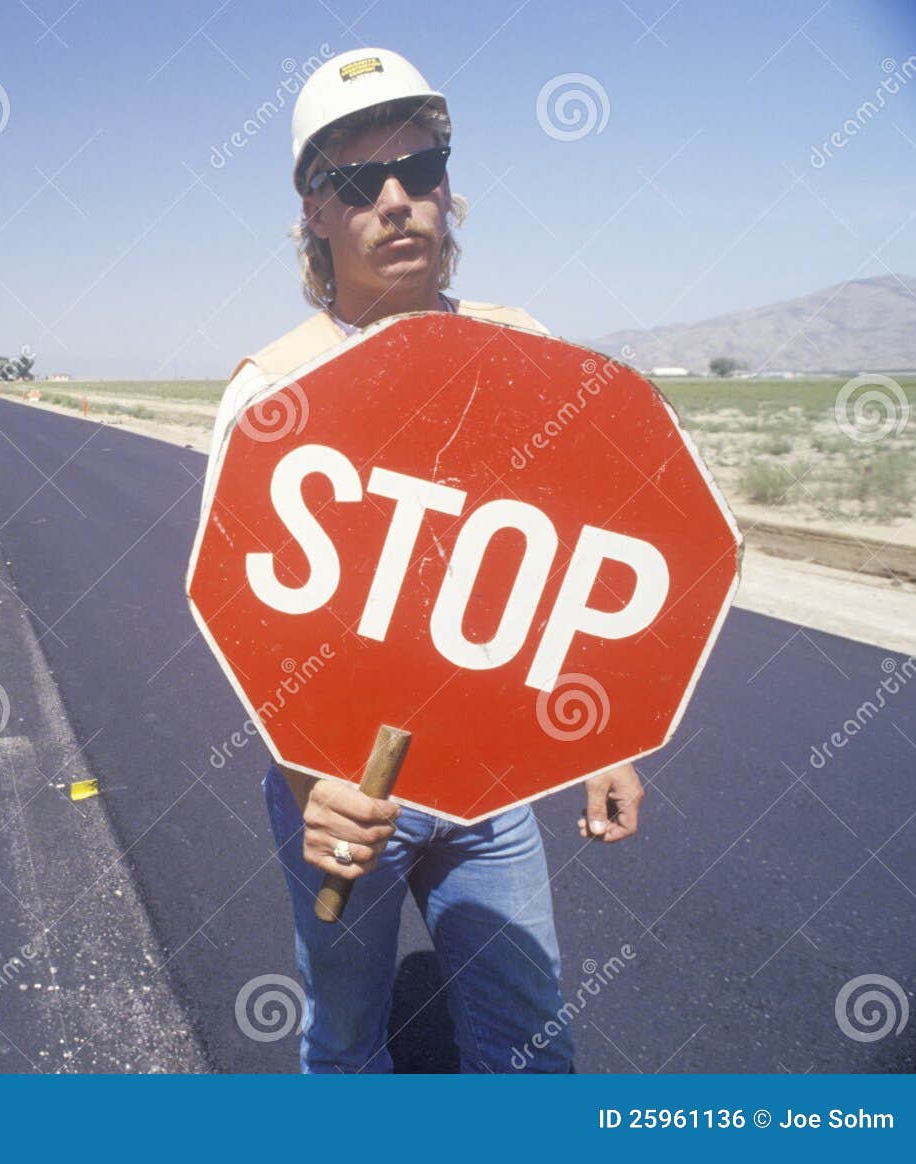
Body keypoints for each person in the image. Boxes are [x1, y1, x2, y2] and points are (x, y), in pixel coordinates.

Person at [203, 46, 645, 1073]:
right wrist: (310, 783)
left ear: (448, 188)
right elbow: (251, 626)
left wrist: (605, 735)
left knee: (530, 1048)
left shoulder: (523, 349)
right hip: (341, 788)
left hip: (492, 782)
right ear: (315, 212)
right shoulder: (271, 393)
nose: (395, 201)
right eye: (359, 182)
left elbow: (569, 554)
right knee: (345, 1041)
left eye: (419, 169)